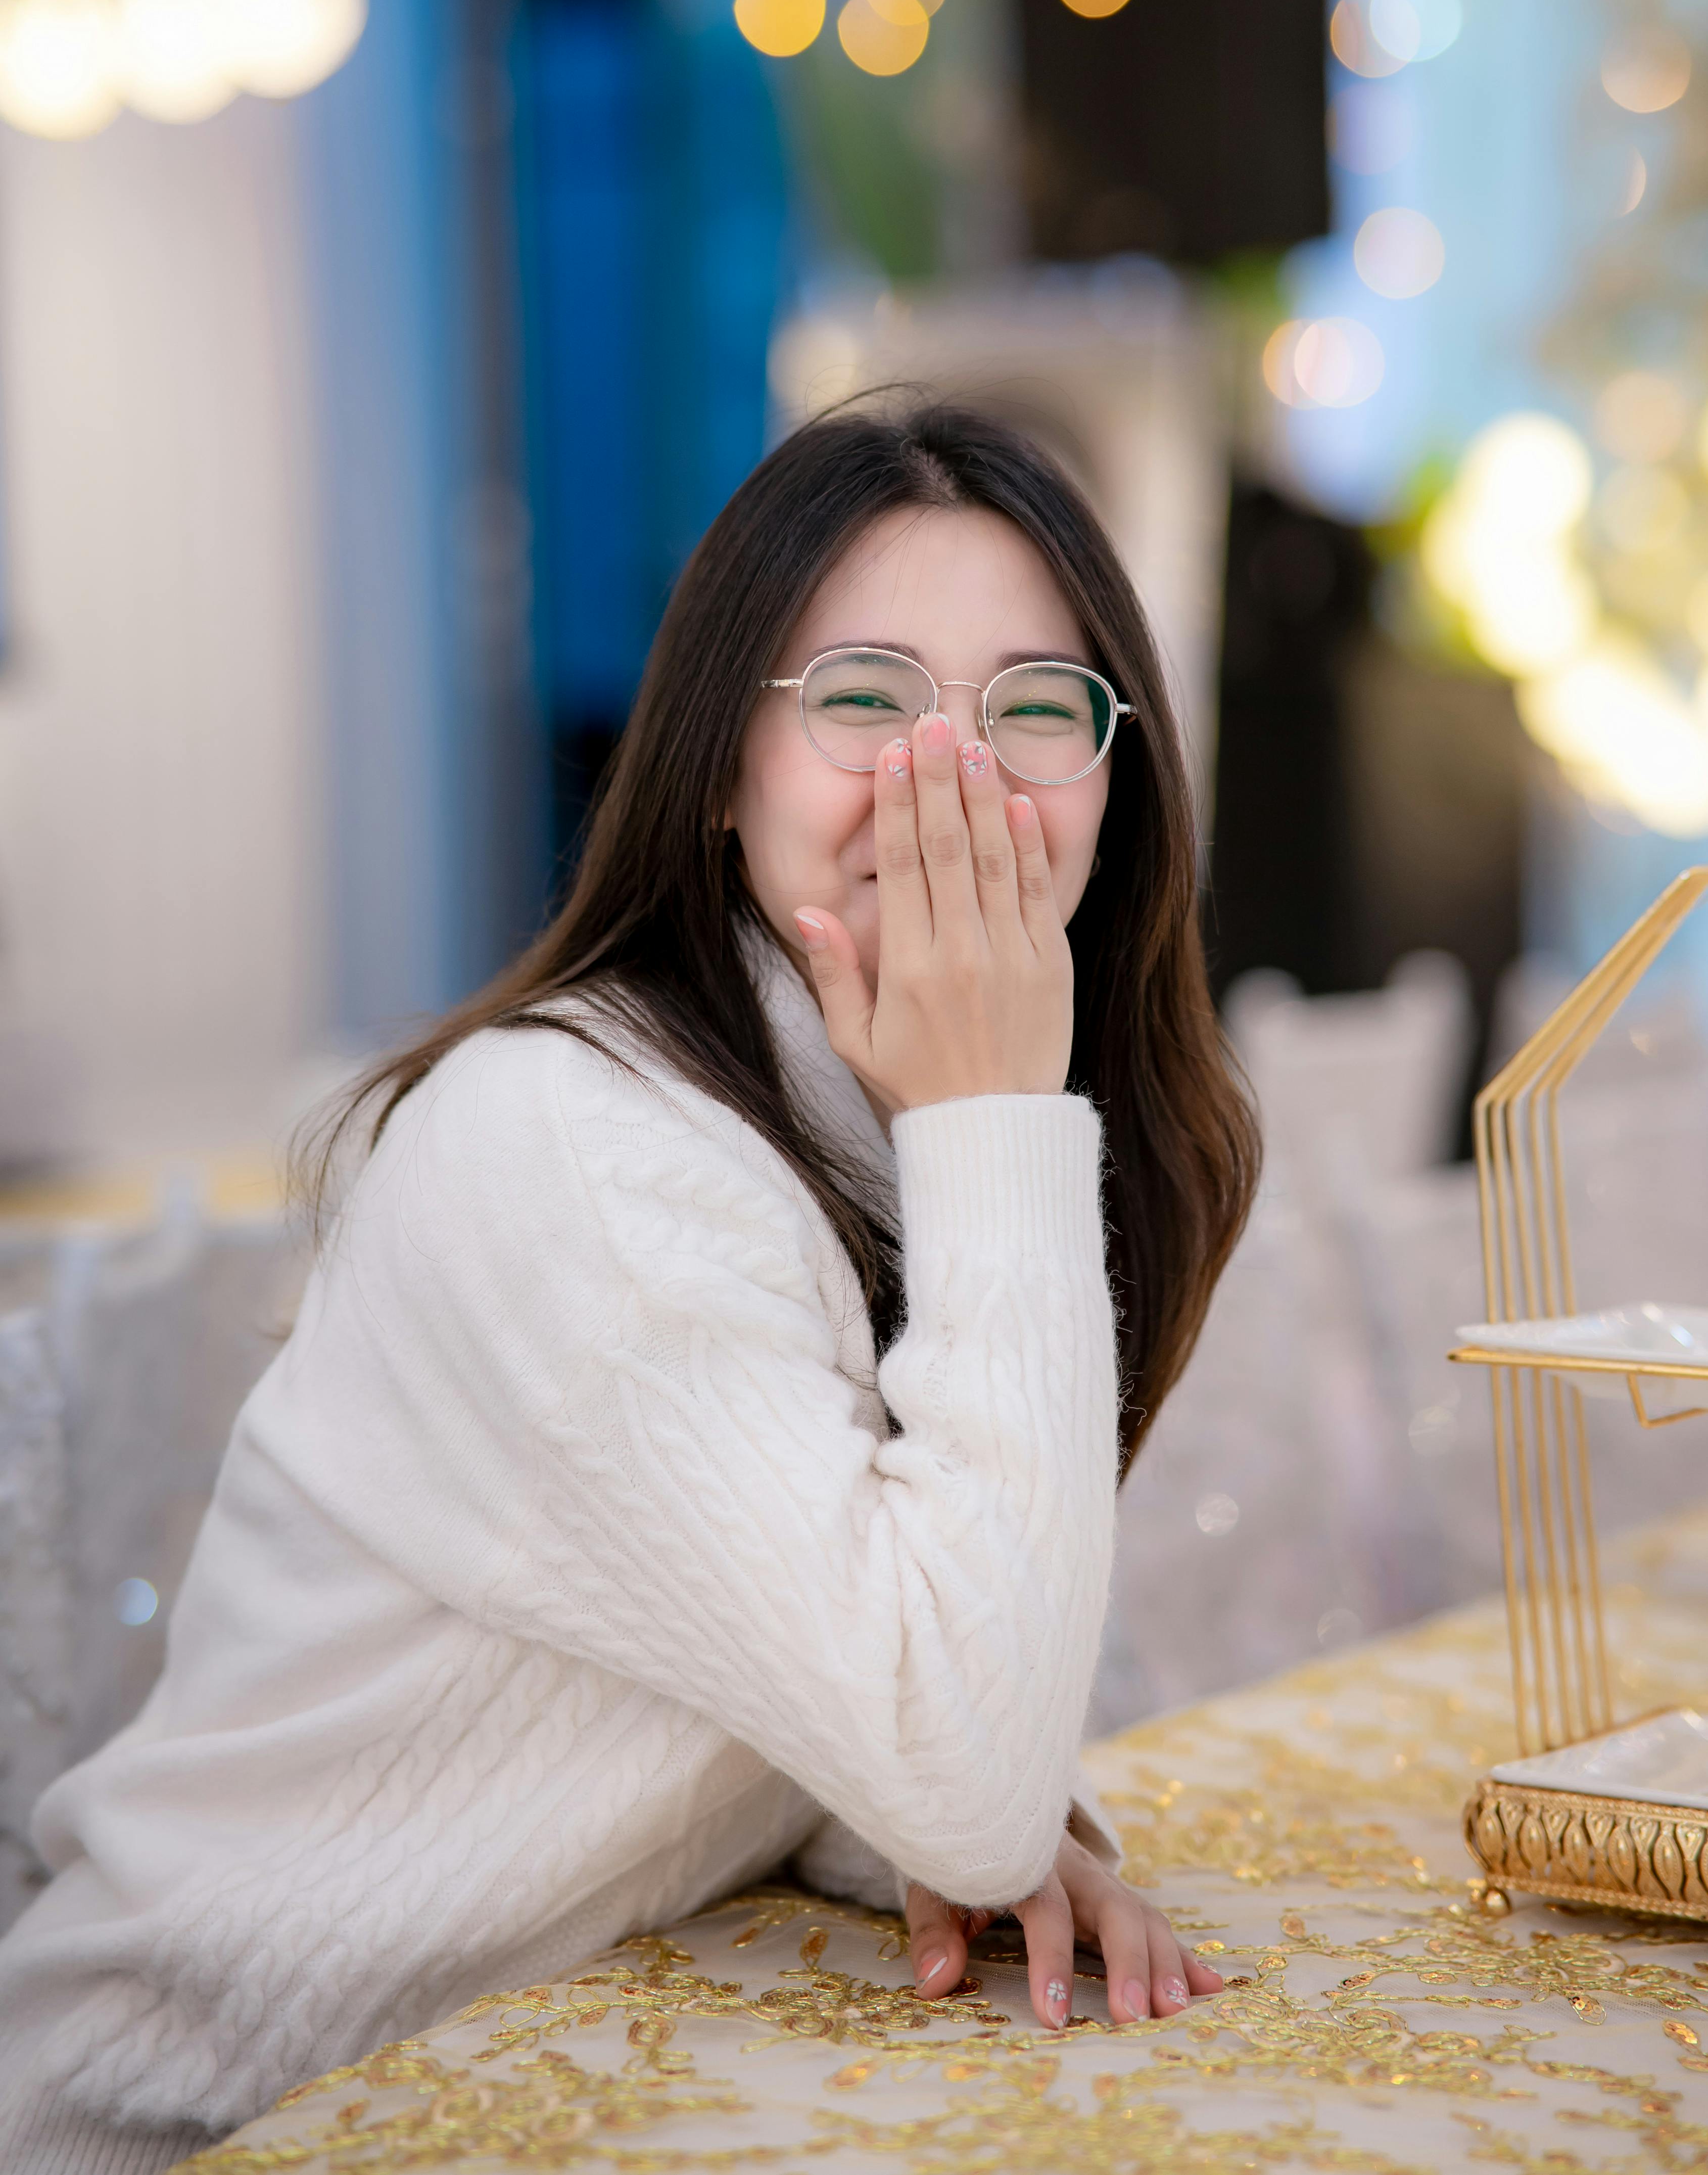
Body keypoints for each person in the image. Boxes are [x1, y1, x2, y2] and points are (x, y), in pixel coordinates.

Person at [0, 401, 1258, 2171]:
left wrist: (894, 1808)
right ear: (723, 771)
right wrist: (992, 1118)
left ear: (1115, 791)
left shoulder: (874, 1118)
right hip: (196, 2119)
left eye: (1036, 709)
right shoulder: (585, 1152)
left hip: (525, 2077)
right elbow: (968, 1775)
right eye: (863, 698)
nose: (951, 779)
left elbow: (748, 1649)